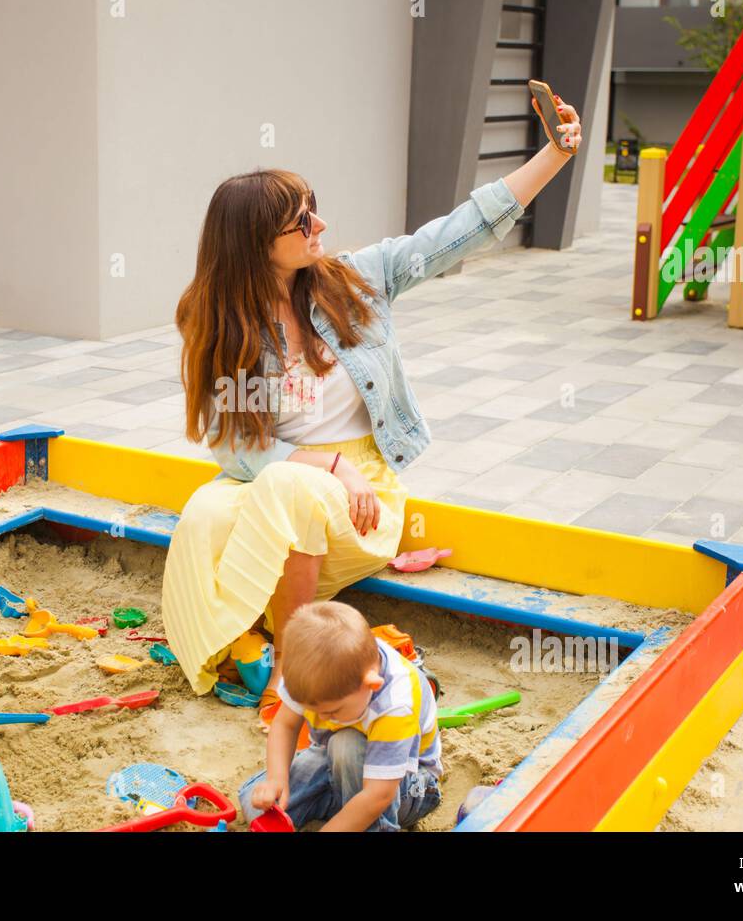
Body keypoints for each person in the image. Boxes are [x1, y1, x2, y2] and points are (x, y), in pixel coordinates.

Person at [162, 96, 582, 724]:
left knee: (291, 488)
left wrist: (555, 154)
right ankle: (222, 650)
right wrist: (327, 464)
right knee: (204, 511)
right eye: (302, 221)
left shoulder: (354, 280)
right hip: (284, 477)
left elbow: (459, 231)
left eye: (315, 210)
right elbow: (232, 450)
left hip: (364, 495)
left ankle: (289, 672)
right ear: (255, 243)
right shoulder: (218, 317)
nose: (321, 227)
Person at [238, 601, 442, 831]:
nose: (321, 718)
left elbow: (379, 796)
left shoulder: (394, 705)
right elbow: (285, 725)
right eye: (311, 710)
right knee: (256, 806)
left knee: (347, 745)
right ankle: (341, 807)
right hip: (334, 758)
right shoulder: (309, 668)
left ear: (371, 685)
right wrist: (277, 779)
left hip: (406, 786)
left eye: (331, 712)